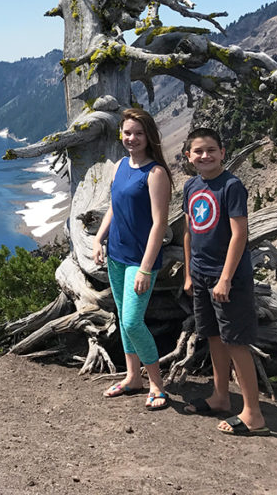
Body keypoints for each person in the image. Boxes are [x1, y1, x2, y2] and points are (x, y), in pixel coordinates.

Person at [181, 127, 269, 436]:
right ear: (188, 157)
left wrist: (226, 278)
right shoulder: (191, 187)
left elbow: (239, 234)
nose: (205, 156)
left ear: (222, 152)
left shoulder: (231, 186)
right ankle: (220, 396)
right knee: (214, 336)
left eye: (211, 150)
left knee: (235, 341)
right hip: (202, 273)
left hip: (226, 278)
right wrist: (189, 273)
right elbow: (190, 230)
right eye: (198, 151)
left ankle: (253, 415)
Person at [92, 108, 172, 410]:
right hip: (116, 255)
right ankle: (132, 377)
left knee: (132, 321)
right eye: (127, 132)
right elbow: (114, 206)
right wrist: (99, 239)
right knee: (124, 321)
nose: (132, 138)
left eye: (138, 133)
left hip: (140, 261)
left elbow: (158, 224)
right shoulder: (121, 166)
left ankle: (156, 384)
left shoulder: (156, 173)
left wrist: (146, 268)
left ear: (149, 136)